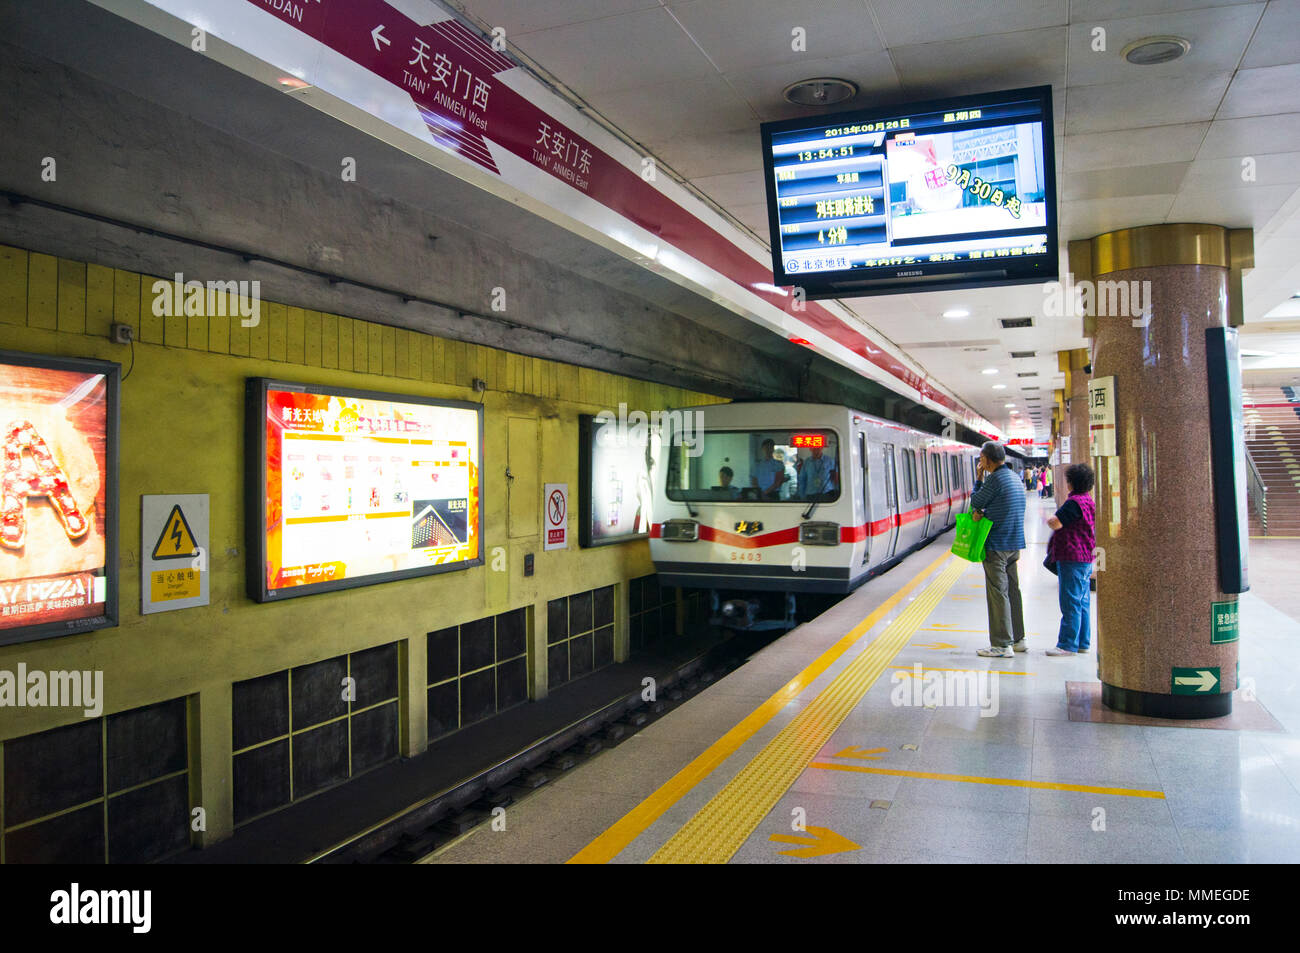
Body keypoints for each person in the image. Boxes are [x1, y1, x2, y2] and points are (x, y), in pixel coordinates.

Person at [970, 441, 1027, 658]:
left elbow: (976, 500)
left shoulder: (994, 479)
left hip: (997, 545)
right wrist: (987, 512)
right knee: (1013, 591)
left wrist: (978, 479)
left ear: (986, 459)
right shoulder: (1013, 477)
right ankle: (1019, 639)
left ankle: (1002, 645)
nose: (980, 462)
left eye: (981, 458)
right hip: (1014, 544)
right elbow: (1004, 506)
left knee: (997, 593)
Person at [1044, 463, 1096, 656]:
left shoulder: (1074, 502)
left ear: (1071, 483)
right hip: (1085, 557)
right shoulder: (1088, 501)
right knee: (1082, 601)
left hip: (1071, 557)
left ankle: (1067, 645)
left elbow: (1055, 523)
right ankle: (1082, 642)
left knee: (1070, 601)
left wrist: (1050, 518)